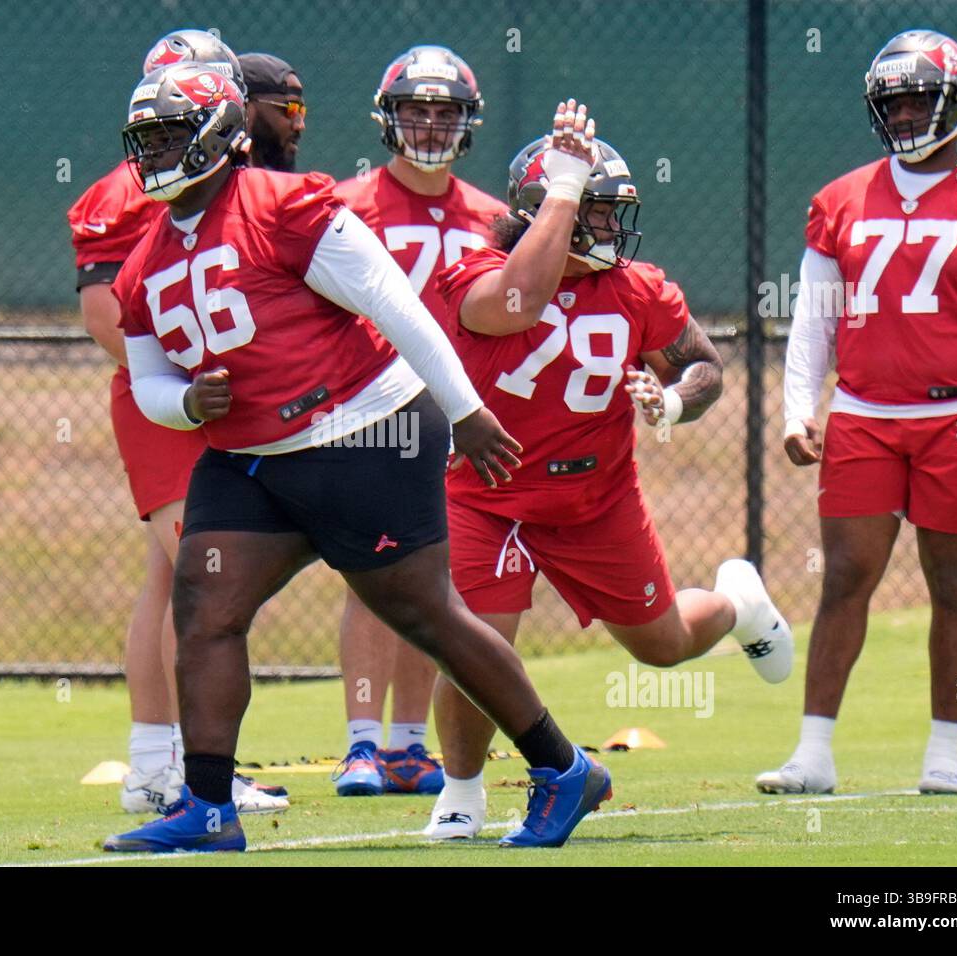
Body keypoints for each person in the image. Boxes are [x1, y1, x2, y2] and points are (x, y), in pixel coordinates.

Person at [103, 63, 609, 853]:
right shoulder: (143, 263)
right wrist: (190, 404)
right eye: (150, 139)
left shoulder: (285, 204)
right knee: (204, 612)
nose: (160, 151)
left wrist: (465, 409)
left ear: (218, 136)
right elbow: (147, 382)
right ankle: (206, 806)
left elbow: (390, 301)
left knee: (423, 614)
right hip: (247, 459)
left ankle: (564, 768)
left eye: (172, 134)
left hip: (363, 432)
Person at [421, 104, 793, 839]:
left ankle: (736, 603)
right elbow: (516, 303)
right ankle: (461, 792)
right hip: (489, 495)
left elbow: (705, 367)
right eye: (589, 211)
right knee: (475, 645)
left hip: (595, 496)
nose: (605, 229)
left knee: (661, 647)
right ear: (541, 208)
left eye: (608, 212)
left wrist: (672, 405)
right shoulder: (471, 267)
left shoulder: (638, 287)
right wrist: (565, 188)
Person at [758, 30, 957, 796]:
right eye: (892, 102)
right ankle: (813, 754)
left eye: (917, 99)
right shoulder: (839, 199)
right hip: (867, 411)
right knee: (844, 576)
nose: (904, 115)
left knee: (954, 584)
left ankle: (944, 753)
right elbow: (813, 319)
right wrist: (798, 407)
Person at [66, 29, 287, 814]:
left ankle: (151, 766)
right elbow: (105, 318)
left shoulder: (230, 182)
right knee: (204, 582)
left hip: (207, 394)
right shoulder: (121, 193)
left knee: (169, 582)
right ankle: (190, 775)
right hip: (169, 400)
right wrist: (180, 382)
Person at [330, 45, 507, 797]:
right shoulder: (343, 203)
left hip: (454, 414)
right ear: (388, 117)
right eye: (415, 111)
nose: (430, 126)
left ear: (467, 123)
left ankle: (408, 745)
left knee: (430, 580)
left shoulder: (495, 217)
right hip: (367, 406)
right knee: (369, 575)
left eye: (445, 113)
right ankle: (362, 743)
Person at [239, 53, 305, 172]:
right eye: (291, 109)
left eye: (301, 112)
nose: (300, 125)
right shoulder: (209, 187)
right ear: (245, 107)